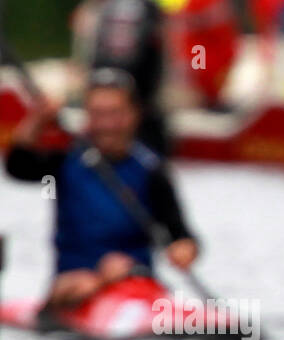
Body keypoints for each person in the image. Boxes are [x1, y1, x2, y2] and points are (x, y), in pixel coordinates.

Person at [3, 70, 198, 309]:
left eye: (114, 114)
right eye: (98, 114)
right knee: (83, 285)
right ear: (87, 116)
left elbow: (181, 235)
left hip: (136, 286)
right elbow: (18, 166)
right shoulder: (64, 161)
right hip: (74, 288)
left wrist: (184, 250)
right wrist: (38, 120)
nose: (106, 125)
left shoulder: (152, 170)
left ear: (134, 115)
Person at [78, 0, 170, 154]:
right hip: (140, 100)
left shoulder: (100, 8)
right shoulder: (151, 9)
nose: (108, 125)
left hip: (133, 97)